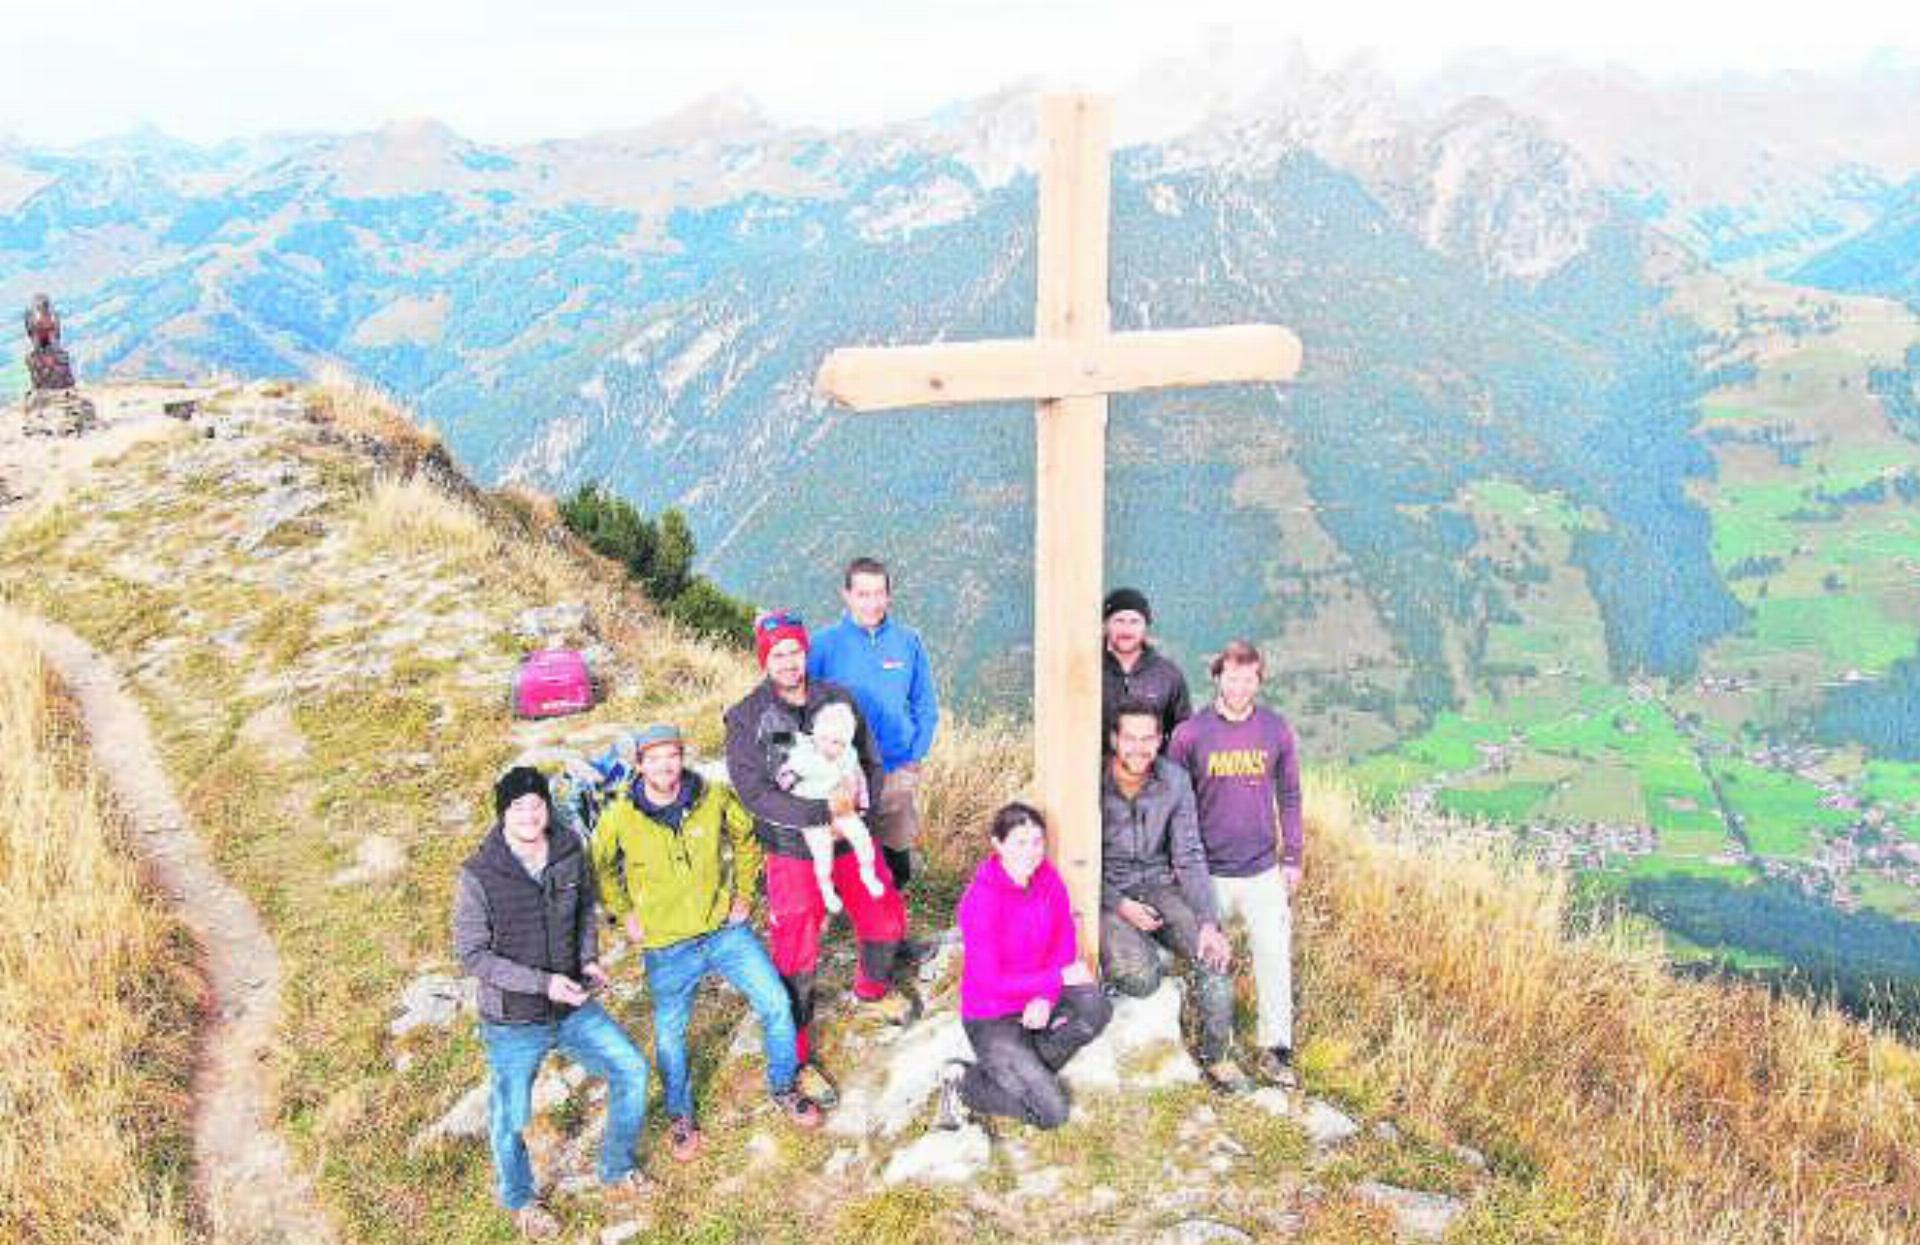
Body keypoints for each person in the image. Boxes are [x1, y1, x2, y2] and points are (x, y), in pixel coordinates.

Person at [589, 724, 824, 1162]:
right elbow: (600, 865)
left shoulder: (711, 796)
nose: (664, 765)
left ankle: (784, 1086)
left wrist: (743, 896)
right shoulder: (620, 814)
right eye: (654, 758)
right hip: (667, 944)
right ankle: (680, 1114)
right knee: (670, 1036)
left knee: (775, 1002)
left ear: (683, 757)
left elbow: (747, 837)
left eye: (672, 755)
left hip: (724, 931)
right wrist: (624, 912)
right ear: (639, 765)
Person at [725, 610, 916, 1108]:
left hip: (851, 834)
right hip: (792, 849)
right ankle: (798, 1056)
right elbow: (753, 793)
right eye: (778, 653)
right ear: (765, 659)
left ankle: (873, 989)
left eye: (795, 650)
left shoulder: (838, 699)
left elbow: (871, 762)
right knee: (796, 947)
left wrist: (857, 805)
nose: (789, 662)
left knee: (885, 913)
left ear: (806, 652)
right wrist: (819, 811)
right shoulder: (747, 717)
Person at [453, 766, 652, 1239]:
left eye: (536, 805)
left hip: (573, 1005)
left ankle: (616, 1166)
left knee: (632, 1070)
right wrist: (543, 984)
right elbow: (473, 955)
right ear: (502, 814)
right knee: (512, 1116)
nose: (528, 814)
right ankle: (521, 1199)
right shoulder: (478, 874)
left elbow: (584, 911)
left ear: (547, 806)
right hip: (512, 1021)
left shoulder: (567, 850)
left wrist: (587, 959)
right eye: (518, 807)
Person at [1169, 641, 1306, 1088]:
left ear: (1259, 681)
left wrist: (1293, 857)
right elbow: (1173, 801)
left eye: (1249, 678)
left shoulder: (1276, 730)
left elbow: (1289, 795)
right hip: (1208, 871)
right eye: (1232, 677)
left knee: (1273, 957)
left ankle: (1276, 1050)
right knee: (1209, 959)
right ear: (1217, 678)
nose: (1240, 686)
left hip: (1263, 869)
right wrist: (1175, 864)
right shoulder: (1190, 735)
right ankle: (1214, 1047)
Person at [1099, 698, 1250, 1092]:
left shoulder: (1175, 780)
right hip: (1107, 892)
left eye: (1148, 738)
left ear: (1161, 739)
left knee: (1212, 955)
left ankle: (1217, 1058)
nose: (1138, 748)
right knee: (1142, 978)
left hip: (1157, 883)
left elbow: (1189, 854)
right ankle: (1137, 952)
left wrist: (1208, 922)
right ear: (1115, 738)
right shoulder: (1092, 780)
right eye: (1129, 738)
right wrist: (1120, 905)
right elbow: (1074, 861)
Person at [936, 802, 1112, 1131]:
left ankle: (1025, 1066)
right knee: (1052, 1112)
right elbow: (990, 981)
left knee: (1096, 1008)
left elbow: (1063, 939)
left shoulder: (1047, 878)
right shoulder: (980, 901)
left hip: (1039, 996)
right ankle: (964, 1081)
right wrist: (1057, 978)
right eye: (1020, 842)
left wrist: (1046, 996)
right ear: (997, 844)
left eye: (1037, 842)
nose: (1031, 852)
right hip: (993, 1015)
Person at [807, 557, 939, 887]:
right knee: (844, 846)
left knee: (896, 855)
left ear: (889, 595)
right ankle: (846, 914)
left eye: (879, 593)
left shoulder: (909, 642)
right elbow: (805, 704)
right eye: (863, 594)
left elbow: (925, 703)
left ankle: (891, 919)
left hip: (896, 767)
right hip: (843, 771)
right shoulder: (823, 644)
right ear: (846, 595)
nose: (873, 603)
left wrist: (914, 756)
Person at [782, 700, 885, 913]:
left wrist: (862, 806)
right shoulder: (804, 749)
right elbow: (781, 746)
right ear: (815, 734)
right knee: (823, 853)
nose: (830, 747)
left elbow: (857, 779)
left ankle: (868, 874)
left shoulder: (848, 755)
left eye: (837, 742)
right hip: (813, 811)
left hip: (840, 806)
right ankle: (826, 888)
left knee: (863, 838)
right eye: (825, 739)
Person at [1100, 587, 1192, 752]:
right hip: (1092, 771)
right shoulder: (1086, 671)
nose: (1126, 629)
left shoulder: (1168, 674)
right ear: (1106, 624)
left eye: (1134, 621)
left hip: (1150, 771)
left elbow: (1182, 733)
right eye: (1119, 620)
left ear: (1146, 626)